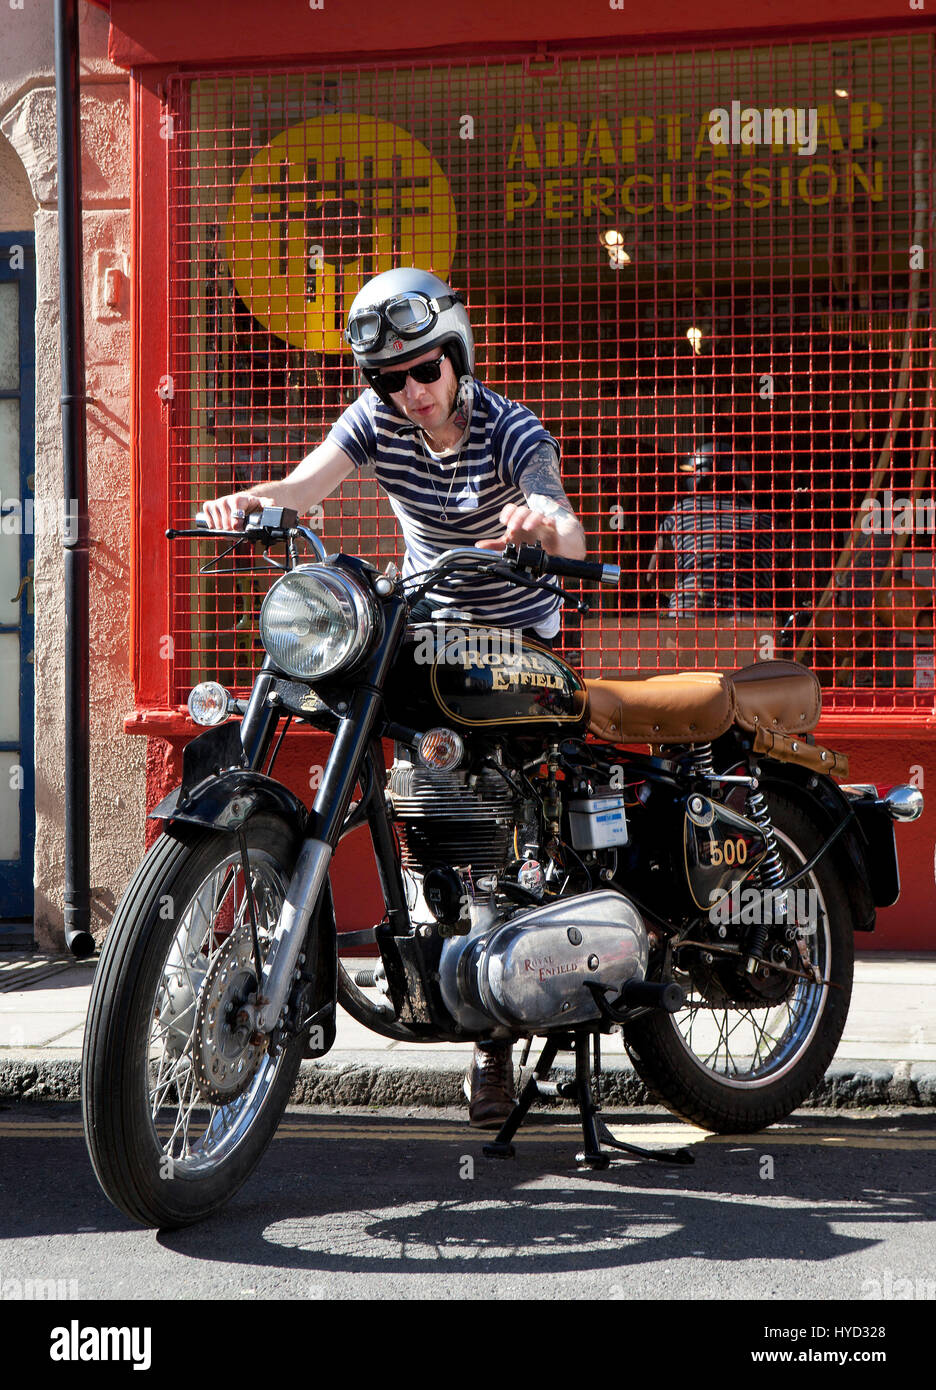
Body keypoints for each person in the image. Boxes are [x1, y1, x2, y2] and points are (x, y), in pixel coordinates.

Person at [203, 266, 586, 1128]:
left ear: (456, 356)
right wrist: (250, 502)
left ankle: (494, 1038)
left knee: (491, 816)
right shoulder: (376, 418)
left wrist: (539, 526)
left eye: (424, 370)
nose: (410, 392)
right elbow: (304, 487)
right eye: (389, 378)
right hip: (426, 626)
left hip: (515, 644)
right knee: (411, 783)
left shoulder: (511, 428)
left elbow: (562, 517)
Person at [646, 439, 783, 616]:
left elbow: (652, 575)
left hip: (688, 622)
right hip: (747, 627)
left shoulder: (680, 512)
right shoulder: (764, 521)